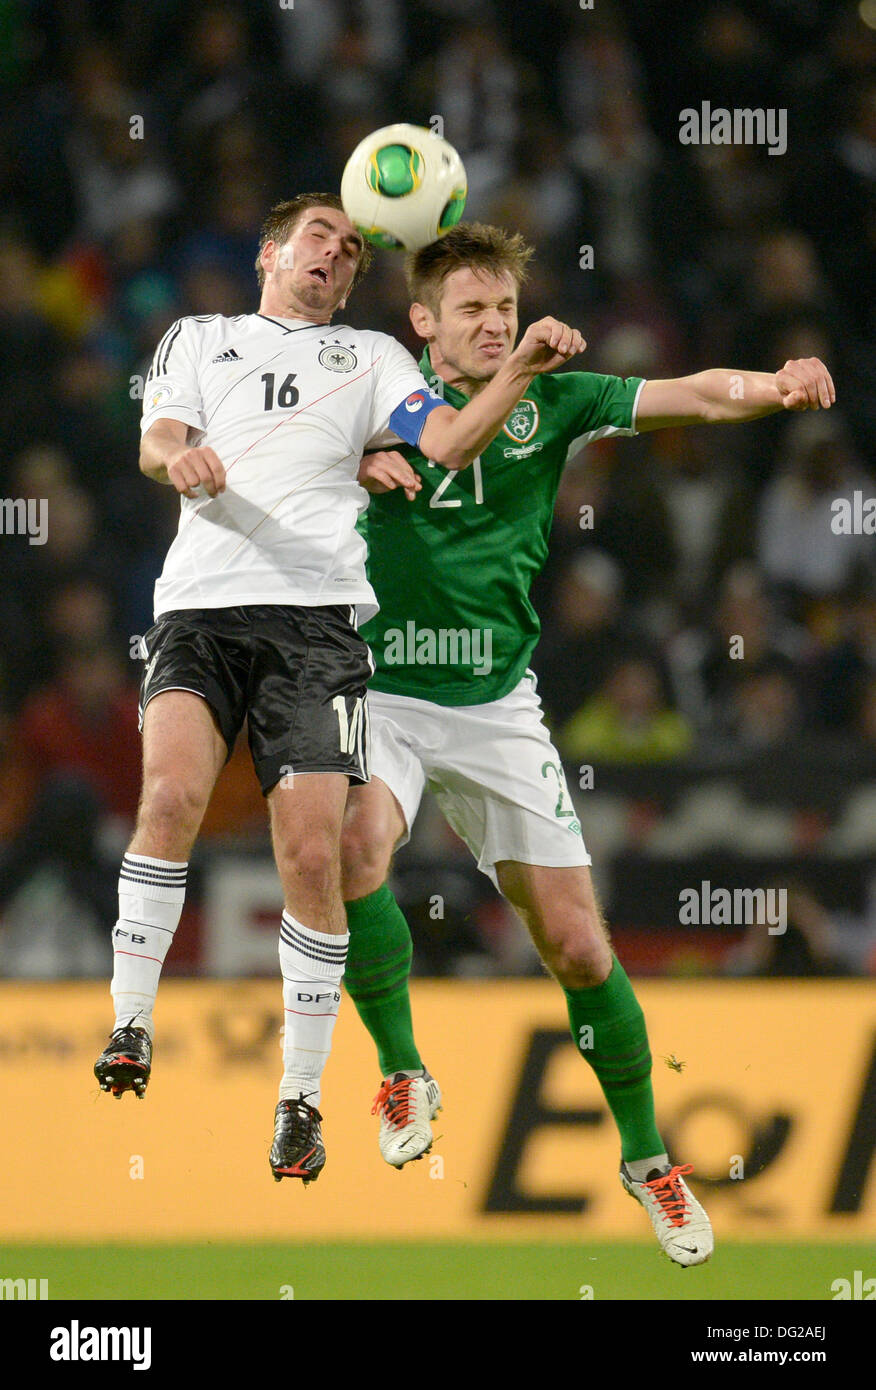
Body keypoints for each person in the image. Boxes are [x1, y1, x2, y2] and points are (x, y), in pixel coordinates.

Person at [341, 221, 834, 1265]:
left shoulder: (555, 402)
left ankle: (649, 1157)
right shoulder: (368, 401)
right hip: (381, 691)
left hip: (494, 703)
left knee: (577, 943)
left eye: (505, 309)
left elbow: (690, 392)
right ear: (422, 323)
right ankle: (401, 1068)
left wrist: (775, 385)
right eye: (471, 308)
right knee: (349, 851)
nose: (494, 324)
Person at [92, 195, 586, 1187]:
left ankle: (300, 1099)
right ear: (271, 251)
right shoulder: (201, 335)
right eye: (322, 236)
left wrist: (523, 367)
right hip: (199, 609)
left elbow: (448, 444)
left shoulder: (372, 361)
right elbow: (158, 438)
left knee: (315, 855)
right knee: (169, 797)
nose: (339, 253)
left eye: (355, 248)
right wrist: (176, 457)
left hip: (322, 631)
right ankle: (130, 1023)